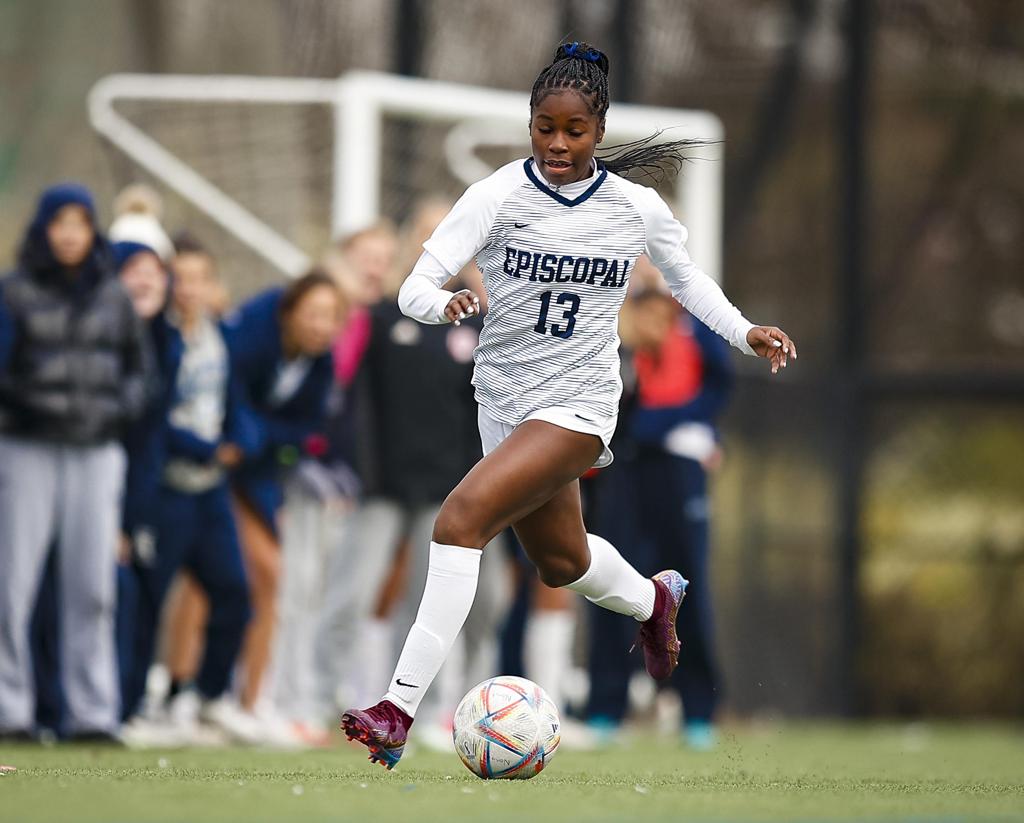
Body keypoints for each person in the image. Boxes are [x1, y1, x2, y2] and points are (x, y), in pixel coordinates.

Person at [340, 40, 797, 770]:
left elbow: (687, 283)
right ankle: (653, 602)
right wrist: (444, 302)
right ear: (530, 123)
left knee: (458, 522)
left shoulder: (633, 207)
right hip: (502, 406)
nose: (557, 143)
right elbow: (414, 286)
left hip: (580, 406)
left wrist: (744, 331)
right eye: (544, 127)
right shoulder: (494, 195)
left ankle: (397, 708)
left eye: (574, 130)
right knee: (562, 562)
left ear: (600, 129)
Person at [0, 183, 150, 742]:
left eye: (80, 222)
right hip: (26, 448)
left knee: (93, 588)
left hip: (96, 453)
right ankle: (9, 709)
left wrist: (116, 413)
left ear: (92, 231)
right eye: (59, 221)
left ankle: (91, 713)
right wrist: (30, 407)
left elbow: (141, 372)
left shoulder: (112, 296)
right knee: (11, 583)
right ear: (42, 228)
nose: (69, 233)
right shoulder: (13, 292)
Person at [119, 234, 258, 743]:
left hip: (210, 491)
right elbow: (155, 416)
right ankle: (130, 705)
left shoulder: (217, 334)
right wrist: (204, 449)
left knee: (234, 594)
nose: (190, 289)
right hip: (167, 488)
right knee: (150, 600)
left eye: (201, 278)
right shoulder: (159, 336)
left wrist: (242, 440)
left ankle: (207, 700)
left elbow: (233, 399)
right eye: (182, 278)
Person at [586, 285, 733, 749]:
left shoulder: (697, 318)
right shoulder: (608, 311)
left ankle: (698, 710)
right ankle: (606, 707)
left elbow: (719, 386)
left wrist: (663, 423)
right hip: (624, 471)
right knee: (610, 584)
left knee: (689, 588)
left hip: (678, 471)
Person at [225, 270, 342, 727]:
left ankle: (251, 703)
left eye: (331, 317)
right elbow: (230, 397)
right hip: (217, 470)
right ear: (289, 312)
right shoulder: (253, 334)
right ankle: (196, 696)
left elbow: (305, 431)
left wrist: (262, 439)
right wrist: (253, 437)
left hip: (259, 477)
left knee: (268, 579)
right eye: (313, 314)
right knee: (232, 582)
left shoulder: (322, 363)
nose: (320, 326)